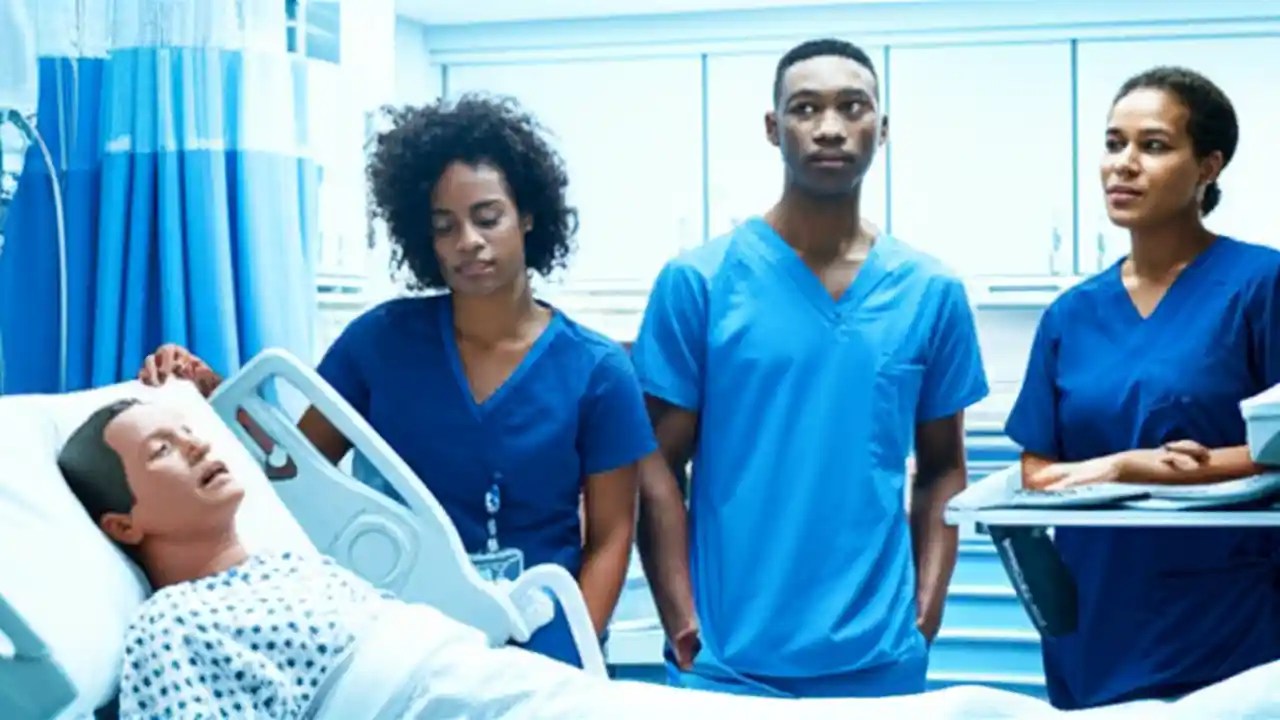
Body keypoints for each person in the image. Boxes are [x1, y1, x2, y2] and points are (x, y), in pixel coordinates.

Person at [55, 397, 1178, 720]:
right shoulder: (170, 632)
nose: (199, 446)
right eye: (163, 447)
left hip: (491, 677)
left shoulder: (280, 559)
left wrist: (191, 395)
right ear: (120, 525)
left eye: (199, 432)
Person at [137, 94, 658, 665]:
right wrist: (212, 394)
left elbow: (610, 539)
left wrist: (574, 656)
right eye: (444, 226)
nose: (468, 242)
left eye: (487, 218)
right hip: (400, 636)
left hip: (541, 634)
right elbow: (288, 476)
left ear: (527, 215)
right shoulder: (379, 345)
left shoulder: (598, 372)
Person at [631, 38, 989, 699]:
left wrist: (924, 618)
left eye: (853, 107)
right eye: (805, 108)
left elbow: (943, 467)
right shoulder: (700, 283)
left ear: (883, 128)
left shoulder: (929, 291)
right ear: (773, 128)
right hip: (728, 662)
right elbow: (654, 464)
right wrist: (682, 620)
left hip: (878, 659)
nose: (829, 127)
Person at [1004, 65, 1280, 710]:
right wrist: (1127, 467)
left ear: (1208, 165)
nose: (1123, 165)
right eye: (1113, 144)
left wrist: (1165, 470)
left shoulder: (1260, 285)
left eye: (1153, 145)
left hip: (1228, 615)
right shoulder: (1071, 314)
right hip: (1094, 612)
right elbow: (1037, 470)